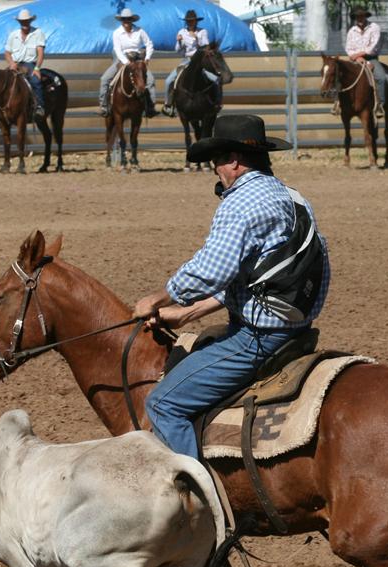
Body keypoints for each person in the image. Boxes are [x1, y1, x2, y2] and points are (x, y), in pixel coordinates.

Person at [132, 114, 329, 463]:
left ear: (233, 162)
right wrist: (189, 312)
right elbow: (262, 270)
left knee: (163, 404)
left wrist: (158, 298)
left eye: (216, 162)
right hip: (294, 323)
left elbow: (211, 271)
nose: (215, 171)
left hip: (257, 336)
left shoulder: (241, 203)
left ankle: (199, 505)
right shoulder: (291, 195)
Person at [98, 8, 156, 118]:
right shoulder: (117, 33)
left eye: (128, 20)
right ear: (121, 21)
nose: (126, 22)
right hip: (122, 59)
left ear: (132, 20)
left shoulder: (140, 31)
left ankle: (150, 107)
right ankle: (104, 106)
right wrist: (126, 62)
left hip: (138, 59)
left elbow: (149, 44)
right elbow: (117, 49)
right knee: (105, 79)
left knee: (151, 80)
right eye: (124, 20)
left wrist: (147, 58)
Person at [163, 9, 220, 117]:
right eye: (188, 21)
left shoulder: (202, 32)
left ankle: (216, 103)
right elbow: (178, 51)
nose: (190, 23)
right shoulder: (181, 32)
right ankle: (168, 105)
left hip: (200, 61)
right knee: (168, 80)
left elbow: (206, 48)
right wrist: (179, 42)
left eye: (192, 21)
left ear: (196, 21)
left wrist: (197, 38)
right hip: (186, 60)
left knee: (216, 79)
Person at [344, 6, 388, 119]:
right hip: (356, 59)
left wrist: (358, 55)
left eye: (362, 15)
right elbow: (348, 48)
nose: (360, 18)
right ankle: (339, 103)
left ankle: (380, 104)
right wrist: (356, 58)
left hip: (370, 58)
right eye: (357, 16)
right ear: (355, 18)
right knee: (340, 75)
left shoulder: (374, 28)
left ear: (365, 16)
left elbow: (373, 47)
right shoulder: (351, 31)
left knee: (381, 77)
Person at [4, 9, 46, 118]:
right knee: (2, 82)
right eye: (22, 21)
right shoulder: (13, 35)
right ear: (19, 22)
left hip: (29, 64)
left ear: (30, 21)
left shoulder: (37, 33)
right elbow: (7, 53)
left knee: (35, 81)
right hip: (15, 63)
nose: (25, 23)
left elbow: (40, 52)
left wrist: (37, 68)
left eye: (27, 21)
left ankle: (39, 107)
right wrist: (11, 63)